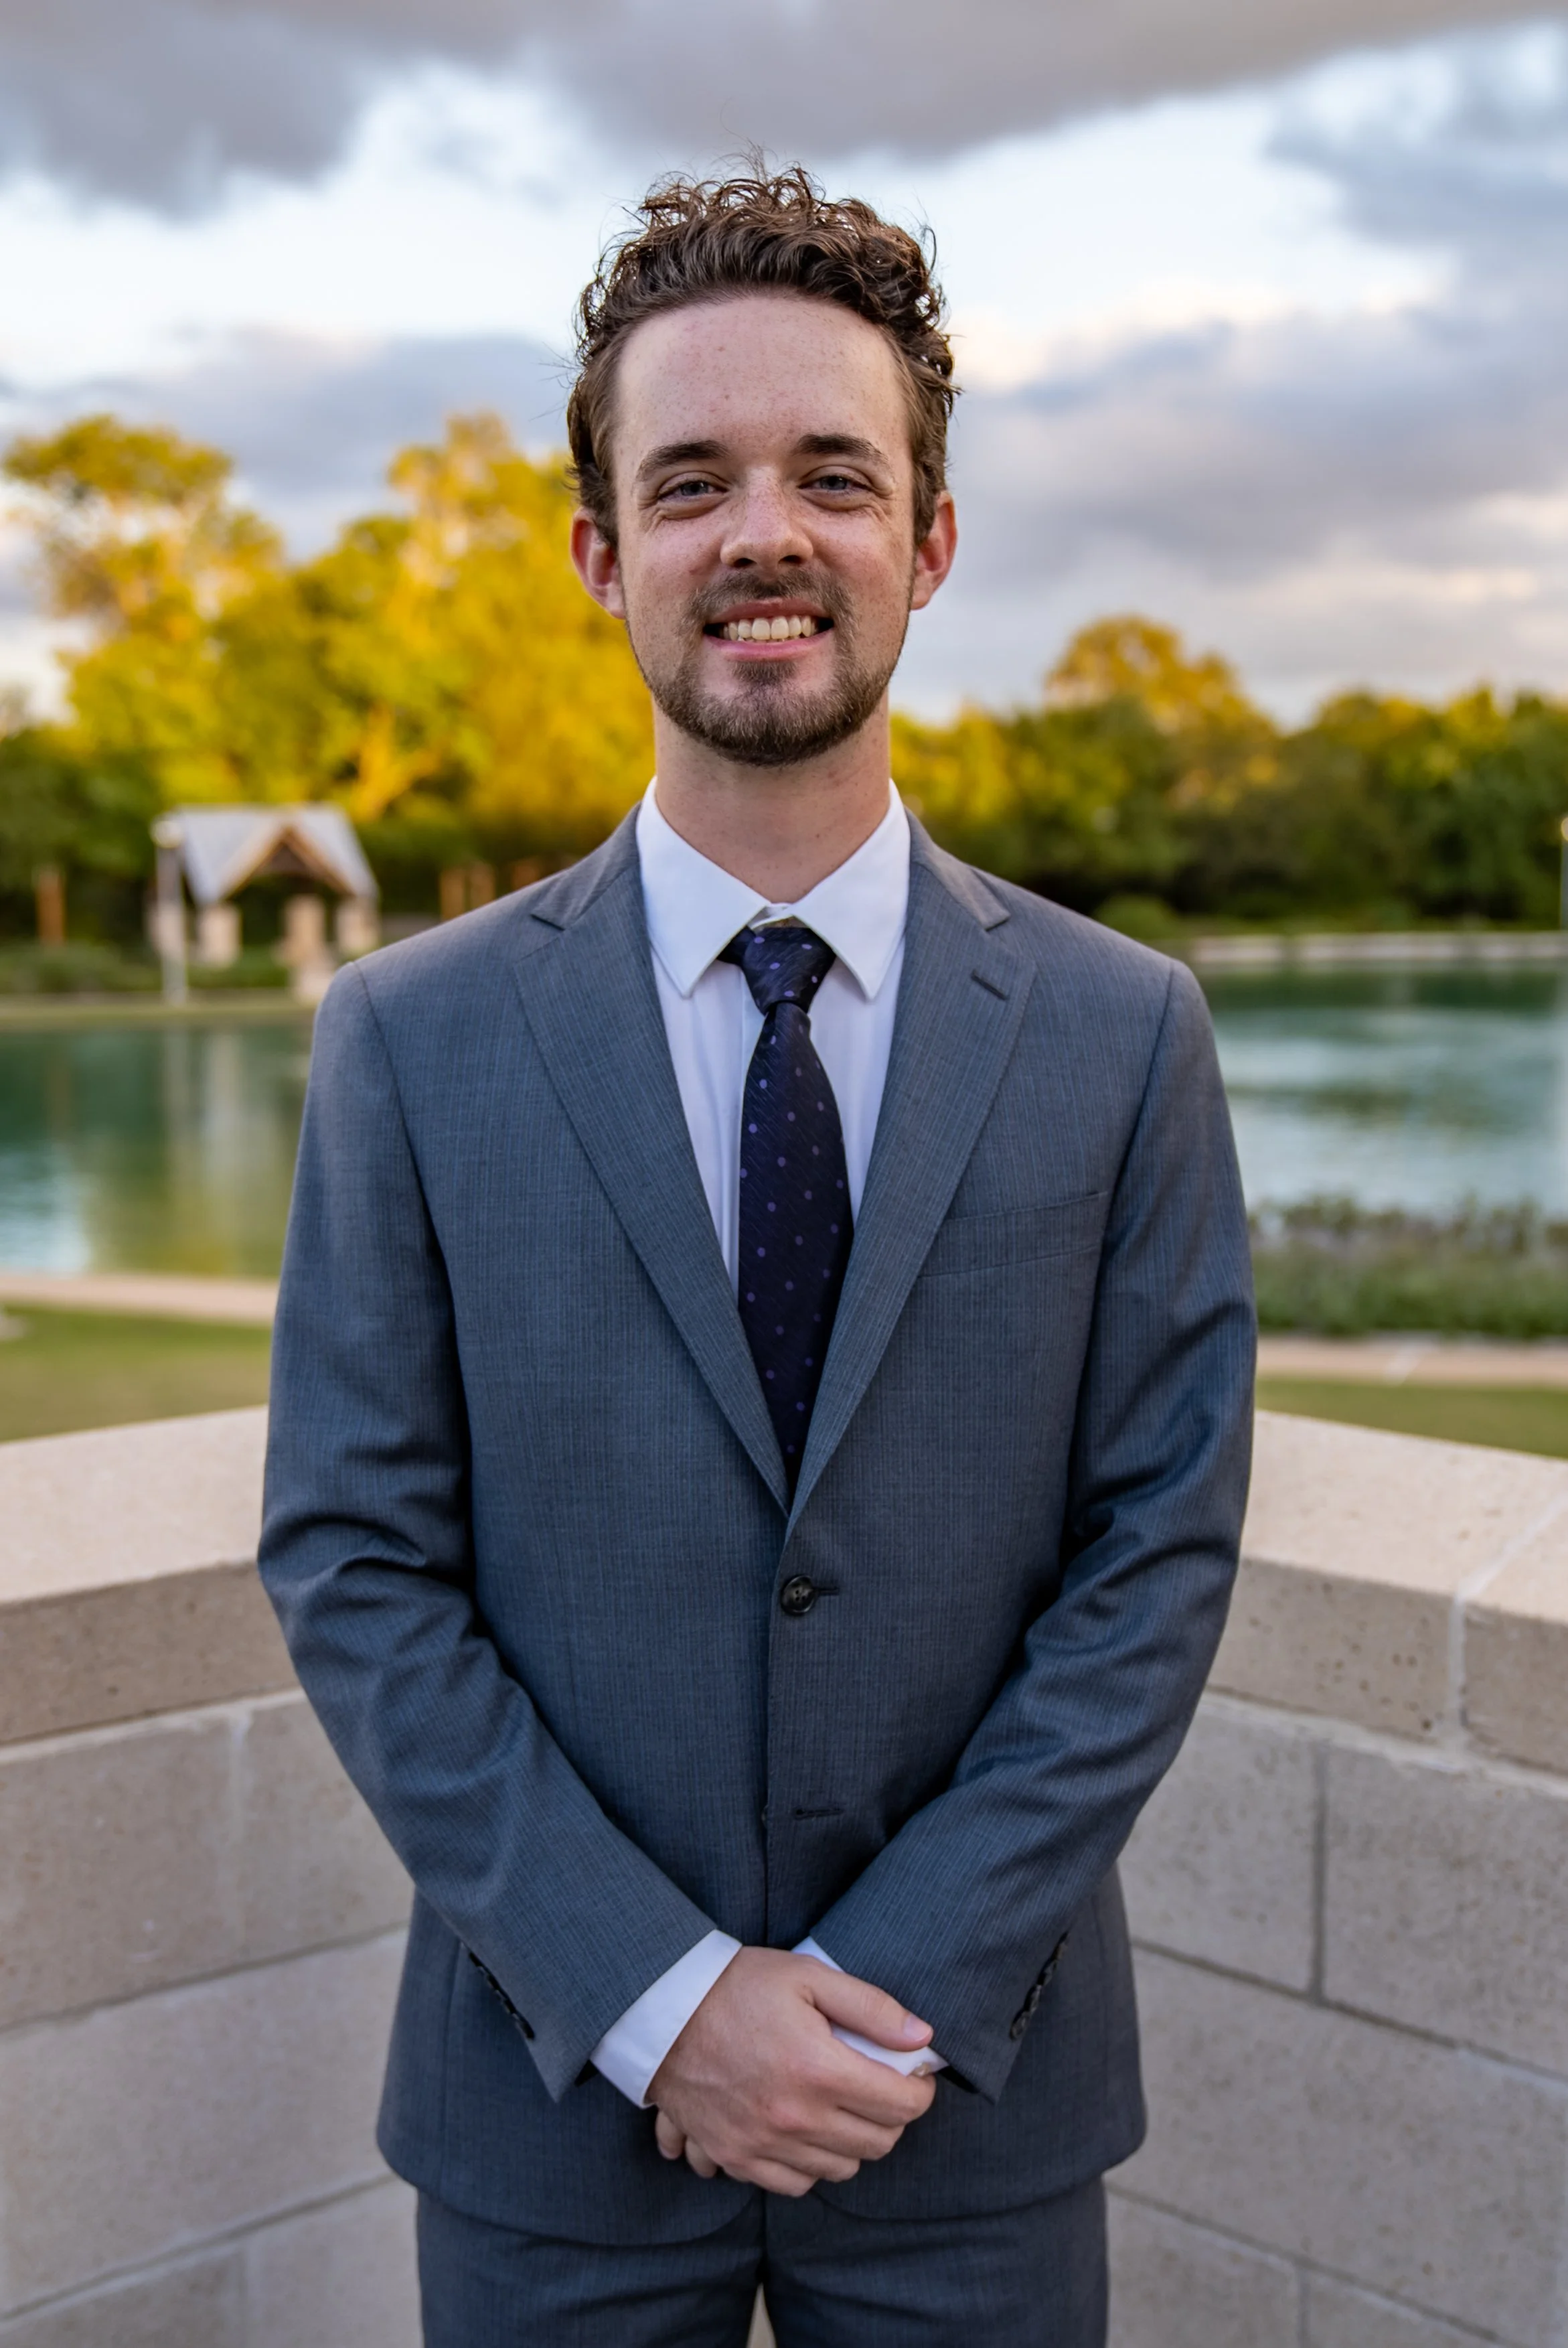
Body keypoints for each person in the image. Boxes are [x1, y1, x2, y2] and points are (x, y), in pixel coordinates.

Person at [258, 165, 1255, 2348]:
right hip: (547, 2121)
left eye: (833, 472)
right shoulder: (406, 1042)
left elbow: (1153, 1556)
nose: (764, 534)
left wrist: (870, 1998)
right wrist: (657, 1999)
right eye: (690, 480)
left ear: (930, 539)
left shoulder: (1121, 1035)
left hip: (964, 2119)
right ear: (607, 556)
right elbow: (355, 1560)